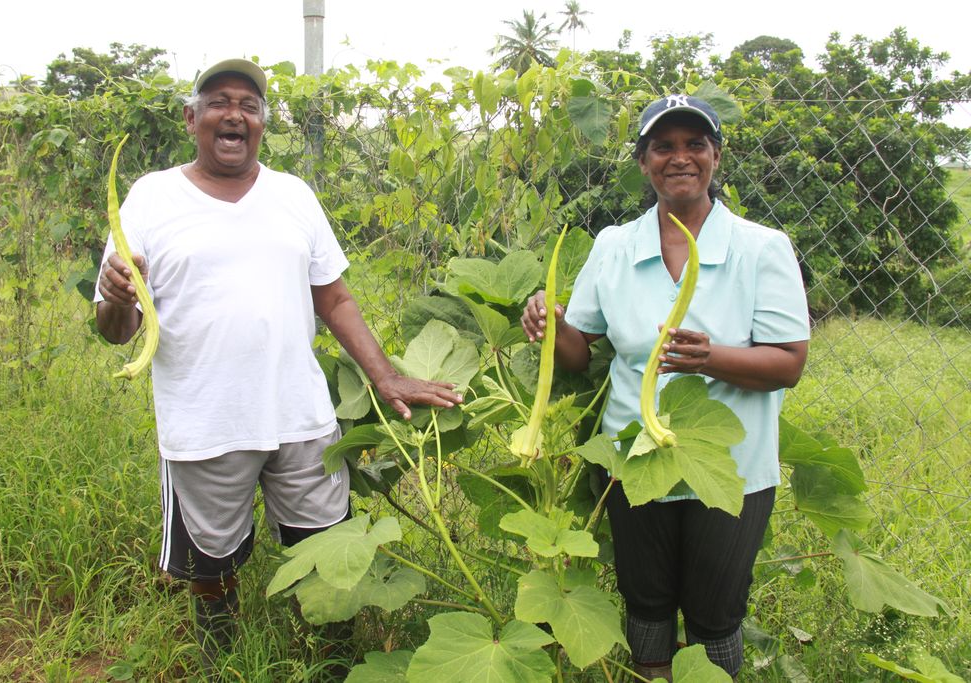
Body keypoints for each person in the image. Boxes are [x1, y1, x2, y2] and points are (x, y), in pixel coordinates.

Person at [95, 58, 463, 669]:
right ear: (192, 118)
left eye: (249, 104)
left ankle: (328, 659)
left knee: (323, 551)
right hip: (205, 424)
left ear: (263, 124)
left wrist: (386, 375)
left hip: (301, 416)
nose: (234, 113)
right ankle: (225, 661)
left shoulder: (293, 195)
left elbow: (335, 296)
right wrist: (113, 296)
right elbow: (118, 331)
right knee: (210, 563)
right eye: (218, 101)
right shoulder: (150, 198)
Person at [521, 94, 810, 680]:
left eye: (694, 145)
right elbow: (579, 353)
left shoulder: (761, 248)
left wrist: (711, 358)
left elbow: (788, 363)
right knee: (646, 599)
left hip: (730, 465)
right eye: (663, 147)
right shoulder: (614, 247)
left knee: (716, 611)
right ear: (644, 161)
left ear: (716, 157)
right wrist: (552, 326)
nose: (680, 158)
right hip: (633, 458)